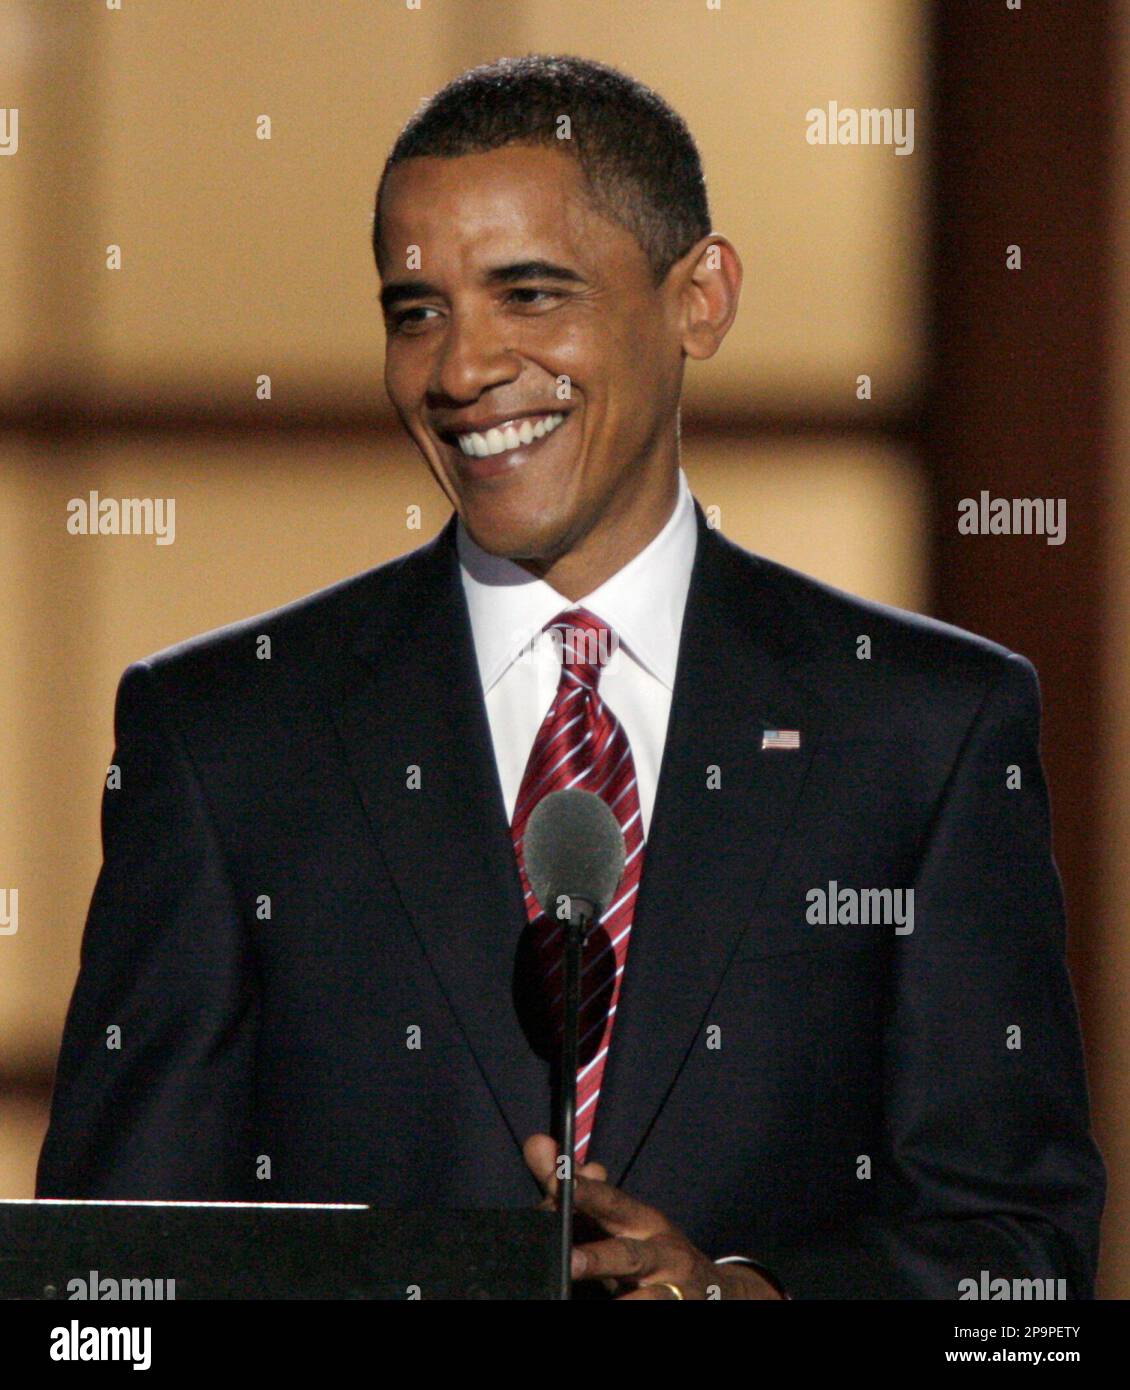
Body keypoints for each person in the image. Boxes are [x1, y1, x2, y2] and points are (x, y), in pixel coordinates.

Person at [37, 54, 1105, 1300]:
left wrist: (745, 1296)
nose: (458, 370)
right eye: (415, 311)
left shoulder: (923, 730)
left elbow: (1019, 1267)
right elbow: (107, 1286)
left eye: (529, 294)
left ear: (698, 298)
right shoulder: (226, 738)